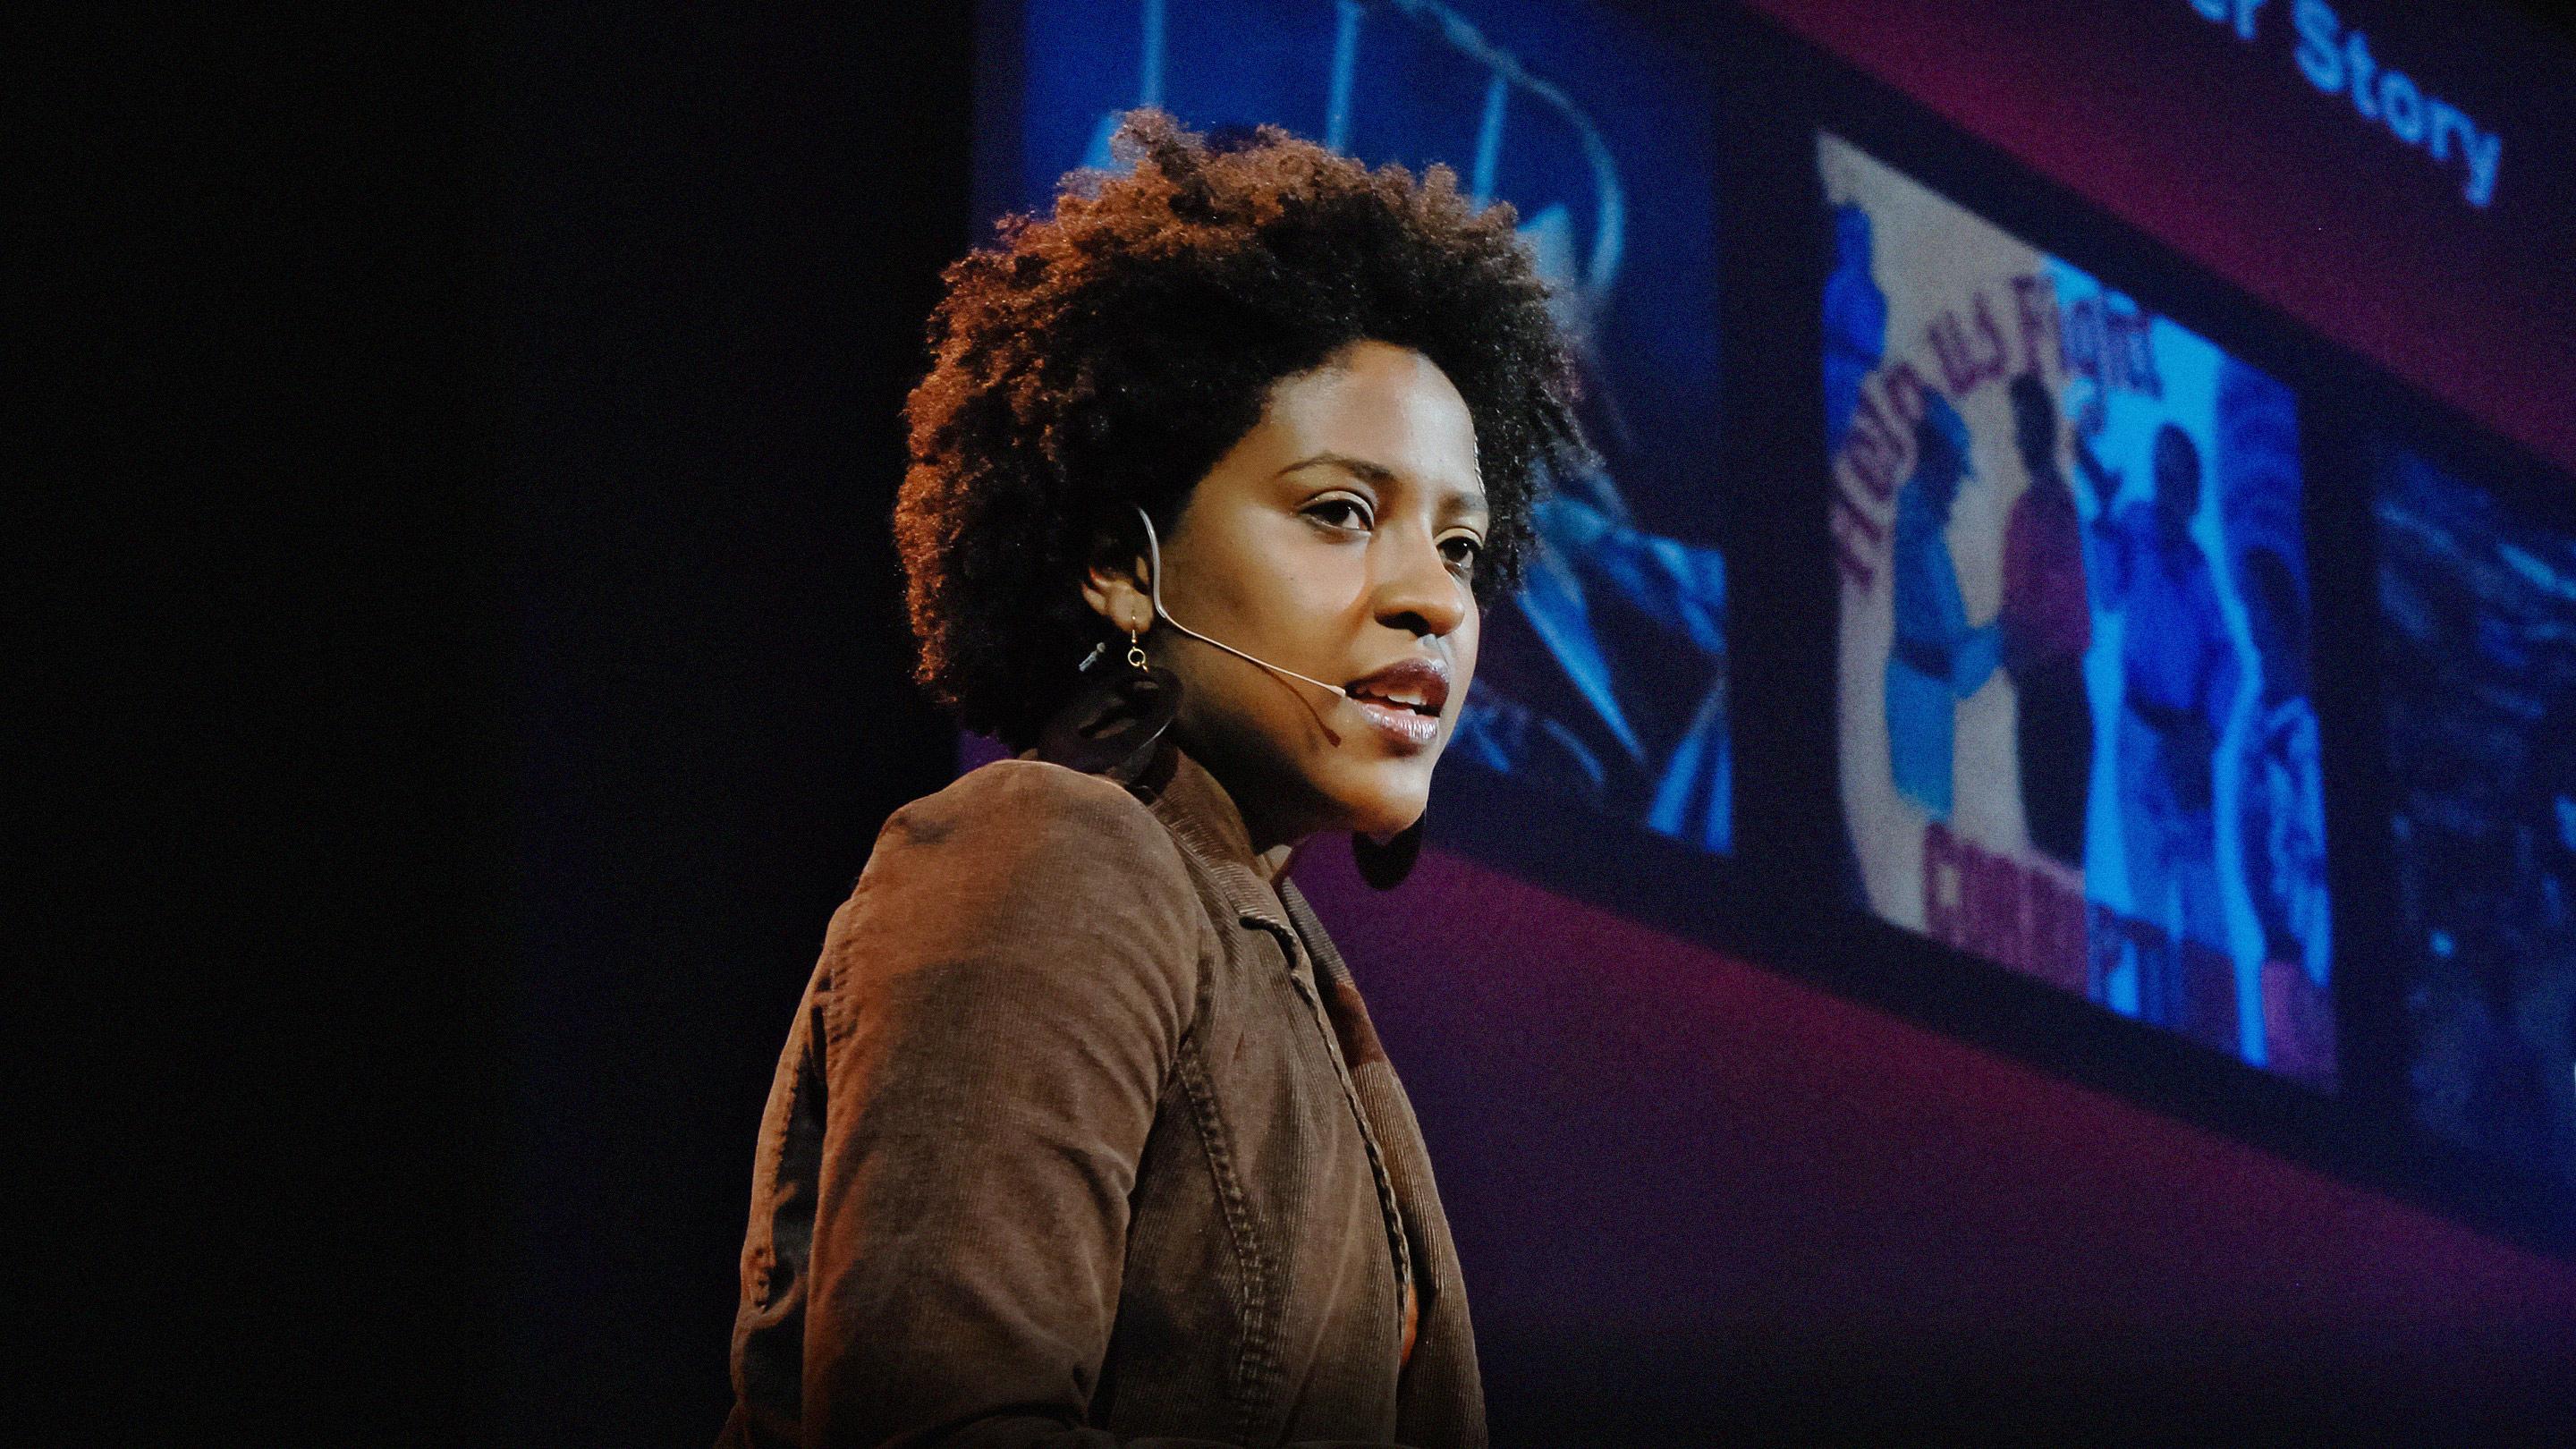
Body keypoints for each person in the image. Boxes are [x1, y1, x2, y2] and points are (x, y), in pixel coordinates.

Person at [716, 113, 1585, 1448]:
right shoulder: (1047, 852)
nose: (1436, 600)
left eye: (1461, 546)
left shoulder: (1281, 960)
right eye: (1341, 512)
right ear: (1126, 568)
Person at [2079, 422, 2238, 1032]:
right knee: (2145, 895)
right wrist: (2103, 514)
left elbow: (2228, 657)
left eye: (2180, 484)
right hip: (2136, 735)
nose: (2168, 491)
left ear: (2194, 498)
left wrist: (2206, 732)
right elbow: (2109, 594)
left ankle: (2214, 1039)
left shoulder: (2200, 569)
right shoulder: (2137, 526)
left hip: (2184, 747)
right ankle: (2154, 1028)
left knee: (2203, 903)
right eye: (2162, 475)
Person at [1885, 394, 2001, 823]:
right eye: (1952, 471)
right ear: (1931, 462)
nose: (1955, 488)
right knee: (1921, 820)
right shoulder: (1917, 534)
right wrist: (2011, 626)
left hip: (1922, 695)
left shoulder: (1922, 527)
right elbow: (1960, 668)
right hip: (1920, 696)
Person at [1998, 374, 2093, 869]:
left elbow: (2063, 611)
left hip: (2060, 697)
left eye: (2027, 424)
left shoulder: (2060, 510)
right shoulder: (2021, 511)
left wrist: (2021, 645)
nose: (2019, 438)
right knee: (2042, 854)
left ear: (2045, 428)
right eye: (2017, 425)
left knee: (2061, 857)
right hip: (2034, 703)